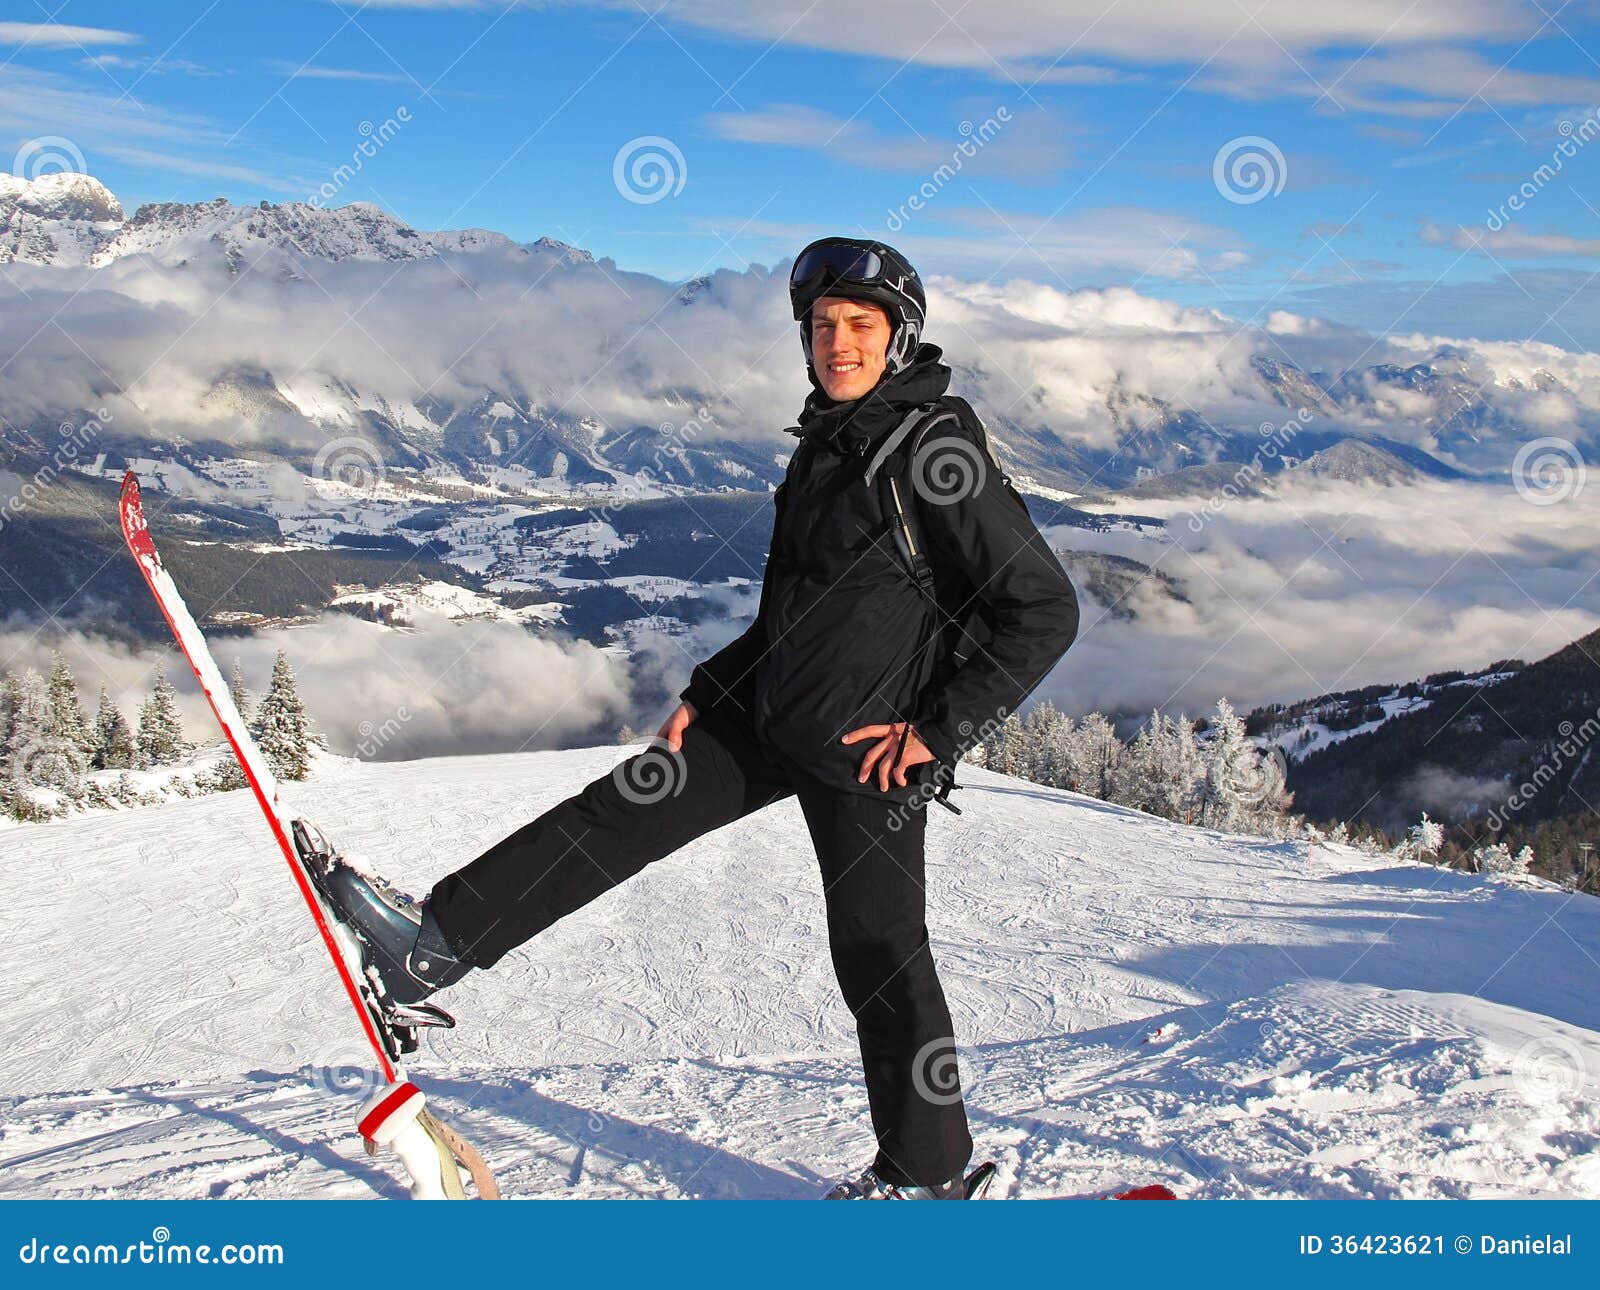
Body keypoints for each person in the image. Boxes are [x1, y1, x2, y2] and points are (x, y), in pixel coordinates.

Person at [322, 235, 1081, 1199]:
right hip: (766, 718)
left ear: (898, 340)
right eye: (821, 327)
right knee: (620, 809)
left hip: (866, 759)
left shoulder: (930, 450)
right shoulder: (828, 442)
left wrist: (936, 731)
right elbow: (795, 615)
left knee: (882, 957)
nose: (837, 344)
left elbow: (1044, 607)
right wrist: (707, 695)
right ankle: (434, 945)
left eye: (859, 326)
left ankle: (925, 1176)